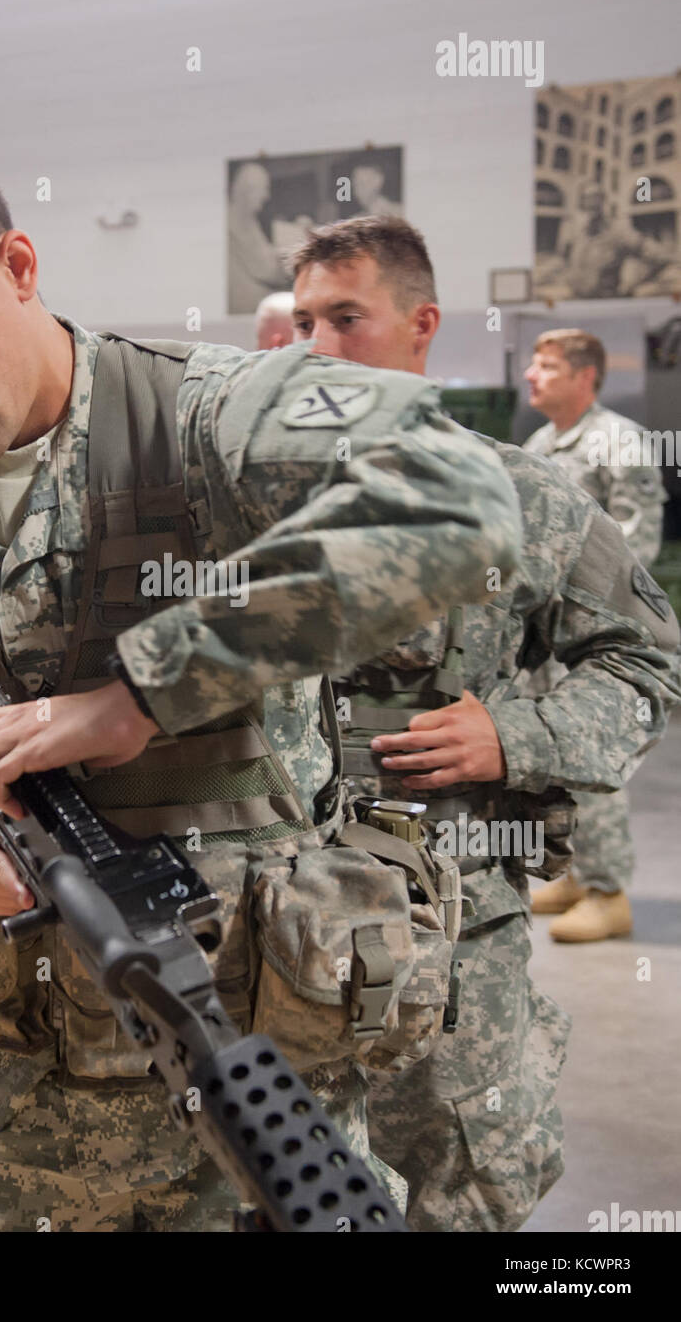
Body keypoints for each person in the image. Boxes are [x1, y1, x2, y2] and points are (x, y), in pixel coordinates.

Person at [0, 116, 522, 1233]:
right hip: (21, 1129)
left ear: (18, 267)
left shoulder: (217, 415)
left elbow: (461, 495)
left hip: (261, 1093)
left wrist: (144, 691)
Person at [290, 215, 681, 1230]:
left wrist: (516, 736)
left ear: (422, 326)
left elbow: (648, 661)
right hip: (273, 923)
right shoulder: (246, 502)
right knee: (291, 1181)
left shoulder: (527, 494)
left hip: (454, 924)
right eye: (302, 323)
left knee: (473, 1182)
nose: (320, 349)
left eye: (347, 317)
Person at [523, 328, 668, 941]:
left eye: (547, 365)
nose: (532, 374)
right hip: (549, 632)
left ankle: (611, 894)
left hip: (598, 636)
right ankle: (580, 874)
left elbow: (638, 546)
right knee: (560, 755)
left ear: (585, 376)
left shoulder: (620, 441)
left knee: (594, 757)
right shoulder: (541, 443)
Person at [227, 161, 287, 313]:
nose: (267, 196)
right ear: (247, 190)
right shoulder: (234, 220)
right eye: (264, 189)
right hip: (248, 306)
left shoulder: (249, 219)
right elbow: (267, 271)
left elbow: (264, 257)